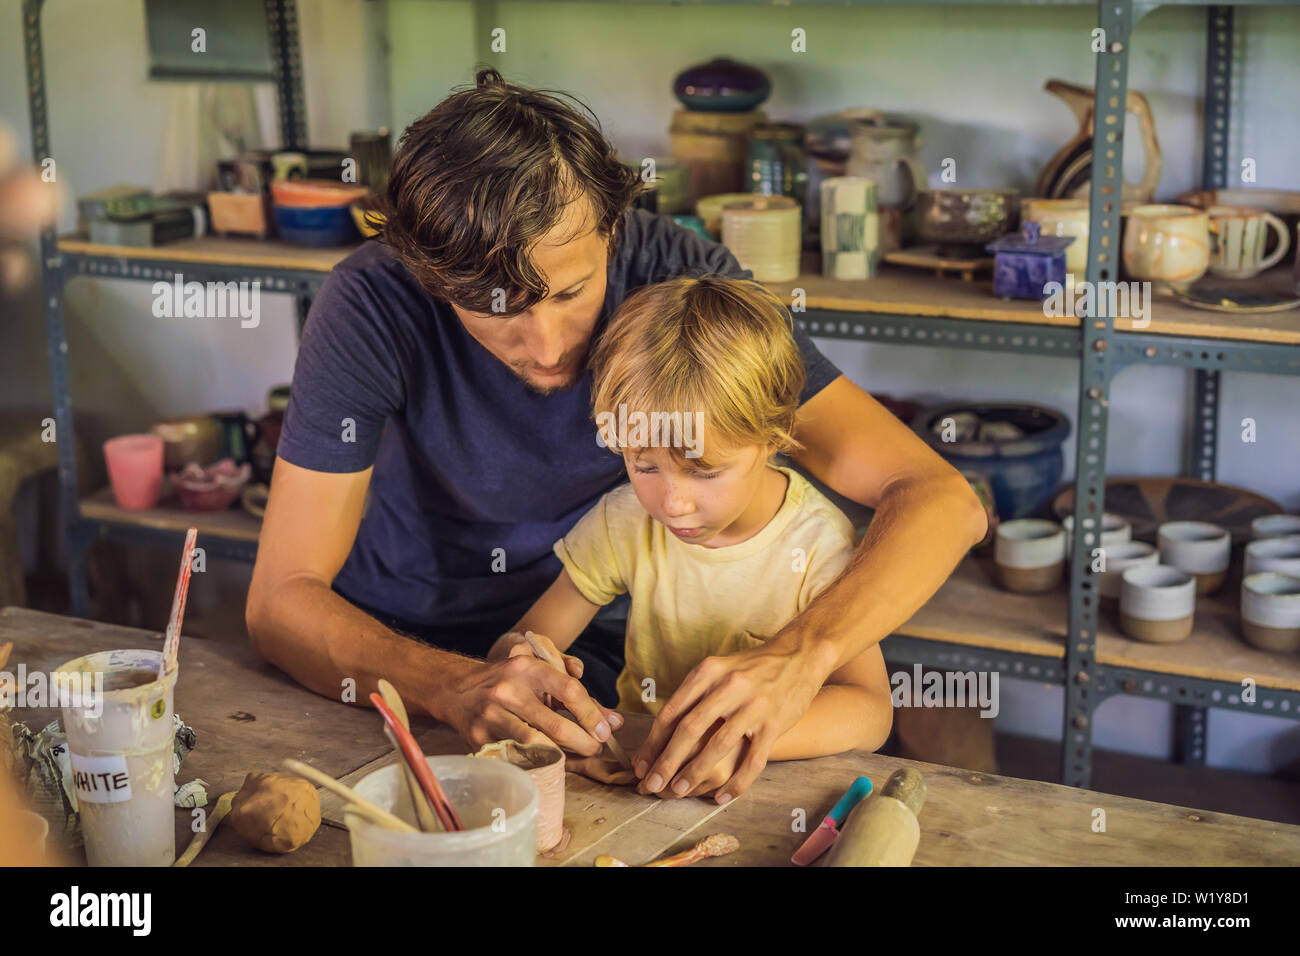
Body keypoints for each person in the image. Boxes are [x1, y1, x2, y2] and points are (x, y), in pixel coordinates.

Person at [246, 69, 986, 802]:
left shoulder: (687, 288)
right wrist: (458, 683)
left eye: (572, 292)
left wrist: (800, 656)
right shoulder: (370, 302)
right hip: (396, 643)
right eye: (498, 309)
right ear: (430, 278)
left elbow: (940, 499)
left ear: (612, 227)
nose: (546, 345)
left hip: (599, 657)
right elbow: (281, 602)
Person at [488, 277, 893, 800]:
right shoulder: (626, 521)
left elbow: (870, 710)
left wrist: (738, 740)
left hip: (768, 791)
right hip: (639, 781)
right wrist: (529, 666)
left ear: (772, 437)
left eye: (704, 472)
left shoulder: (819, 545)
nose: (671, 503)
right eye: (643, 465)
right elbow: (520, 644)